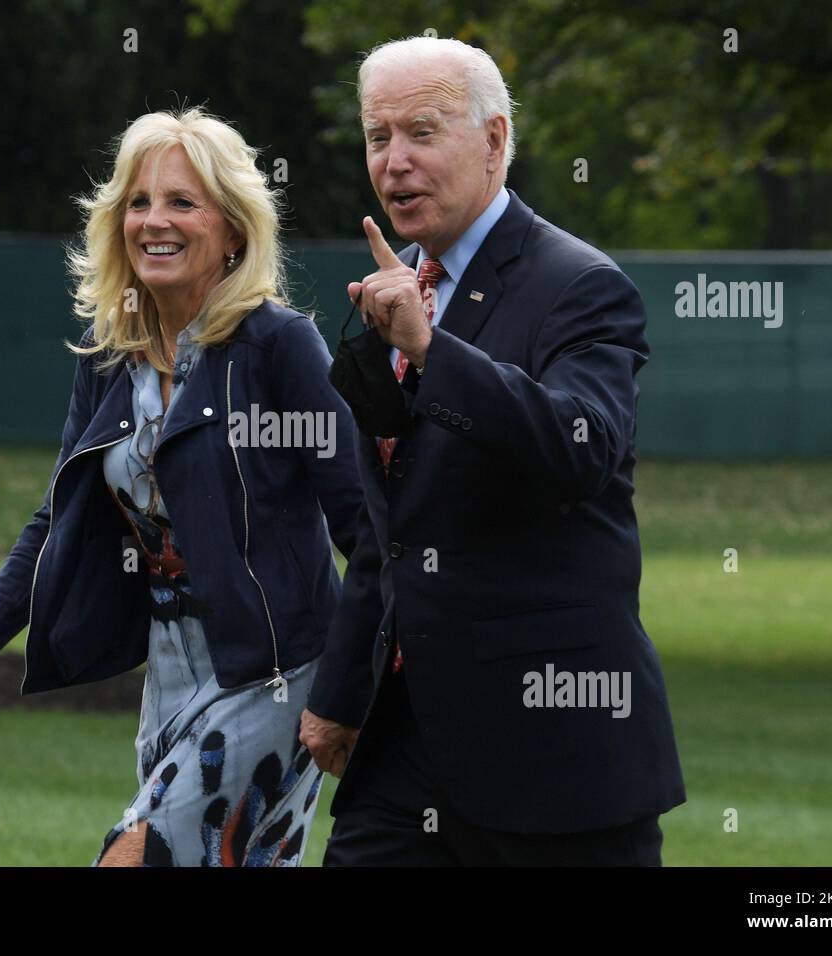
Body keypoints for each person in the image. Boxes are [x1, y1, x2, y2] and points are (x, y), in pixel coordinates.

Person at [0, 107, 365, 867]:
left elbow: (362, 525)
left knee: (136, 858)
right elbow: (57, 522)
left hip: (274, 675)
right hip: (169, 670)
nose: (155, 221)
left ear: (234, 228)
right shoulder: (111, 356)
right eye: (138, 203)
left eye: (182, 202)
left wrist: (349, 688)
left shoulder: (279, 346)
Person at [300, 36, 686, 865]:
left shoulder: (581, 285)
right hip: (404, 752)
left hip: (557, 753)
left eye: (422, 133)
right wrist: (338, 695)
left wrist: (436, 352)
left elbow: (577, 449)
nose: (395, 162)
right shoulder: (390, 288)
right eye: (378, 137)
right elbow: (386, 527)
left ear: (496, 140)